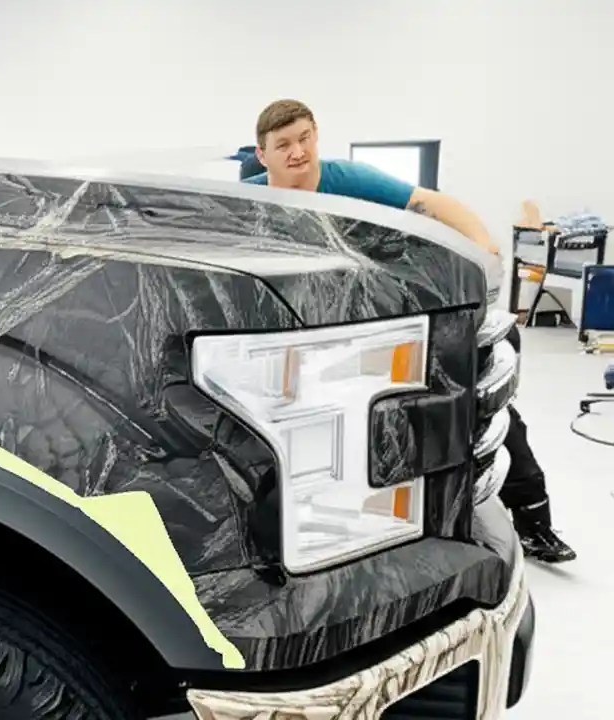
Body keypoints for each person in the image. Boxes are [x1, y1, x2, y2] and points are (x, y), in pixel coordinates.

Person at [243, 98, 576, 564]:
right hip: (309, 331)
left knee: (471, 405)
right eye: (284, 145)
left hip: (377, 317)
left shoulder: (346, 179)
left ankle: (533, 520)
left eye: (304, 139)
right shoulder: (250, 197)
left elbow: (431, 202)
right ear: (263, 155)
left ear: (315, 135)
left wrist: (484, 247)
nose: (297, 152)